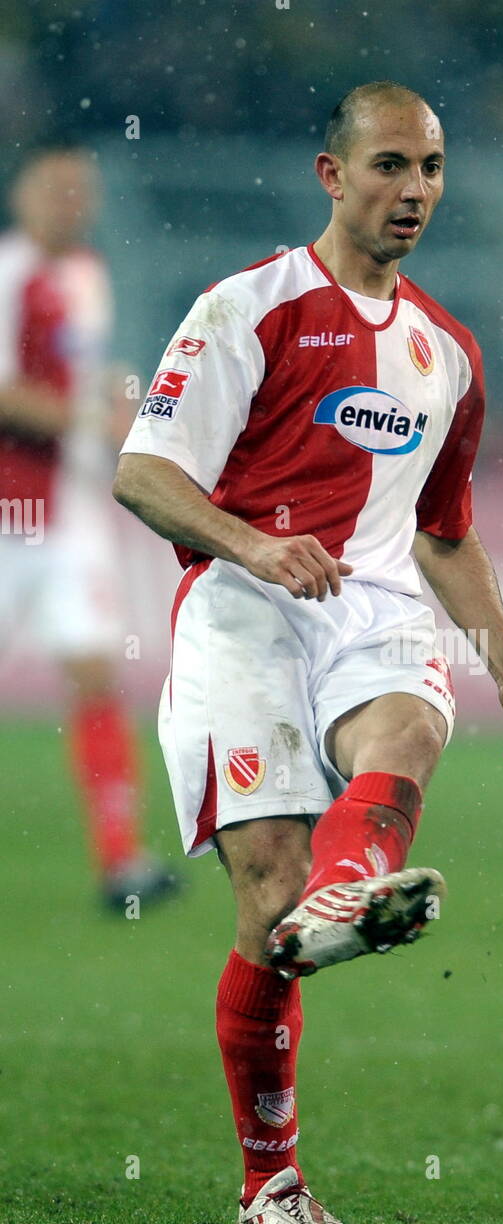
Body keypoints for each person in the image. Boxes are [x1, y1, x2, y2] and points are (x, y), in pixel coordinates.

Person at [114, 81, 503, 1224]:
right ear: (331, 175)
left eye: (428, 167)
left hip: (371, 603)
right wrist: (255, 541)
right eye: (386, 166)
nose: (412, 189)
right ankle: (273, 1188)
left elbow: (447, 531)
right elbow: (145, 473)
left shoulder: (448, 354)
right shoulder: (246, 309)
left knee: (410, 728)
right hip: (242, 611)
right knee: (265, 901)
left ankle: (349, 884)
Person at [0, 145, 179, 911]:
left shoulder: (88, 275)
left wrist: (116, 395)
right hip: (9, 512)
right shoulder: (8, 272)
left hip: (71, 513)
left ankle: (122, 862)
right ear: (23, 194)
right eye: (56, 188)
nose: (71, 202)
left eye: (82, 190)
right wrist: (96, 414)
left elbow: (76, 380)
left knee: (97, 675)